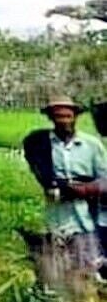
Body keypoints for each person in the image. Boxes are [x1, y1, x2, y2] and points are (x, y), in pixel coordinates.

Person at [21, 96, 107, 273]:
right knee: (60, 267)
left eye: (68, 116)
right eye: (59, 117)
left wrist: (81, 190)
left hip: (87, 217)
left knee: (90, 266)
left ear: (75, 117)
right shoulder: (41, 144)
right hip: (58, 216)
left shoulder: (92, 145)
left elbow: (105, 180)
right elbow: (40, 172)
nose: (64, 121)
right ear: (51, 118)